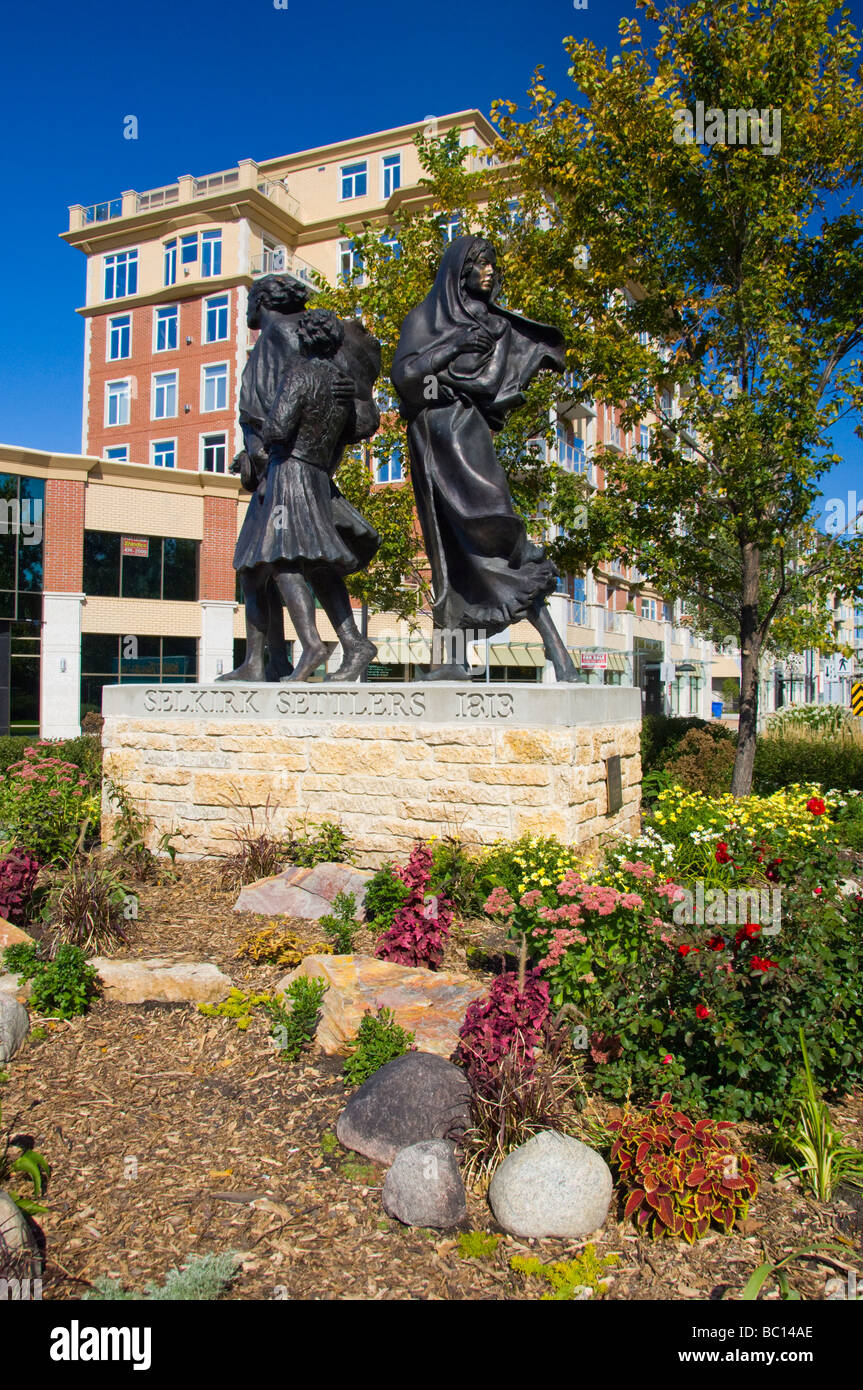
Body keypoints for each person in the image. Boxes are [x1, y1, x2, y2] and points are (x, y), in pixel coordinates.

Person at [391, 235, 579, 681]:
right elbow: (406, 377)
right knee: (445, 553)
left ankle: (558, 653)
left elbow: (494, 388)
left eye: (493, 263)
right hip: (431, 441)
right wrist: (453, 346)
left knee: (498, 537)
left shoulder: (499, 326)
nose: (490, 271)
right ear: (459, 270)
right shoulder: (426, 319)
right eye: (480, 263)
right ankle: (452, 660)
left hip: (467, 437)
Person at [223, 277, 381, 681]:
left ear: (261, 299)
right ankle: (264, 661)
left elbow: (283, 419)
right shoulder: (285, 341)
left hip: (285, 469)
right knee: (295, 560)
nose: (245, 309)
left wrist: (259, 450)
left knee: (273, 559)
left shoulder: (285, 337)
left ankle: (308, 647)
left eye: (248, 299)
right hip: (290, 469)